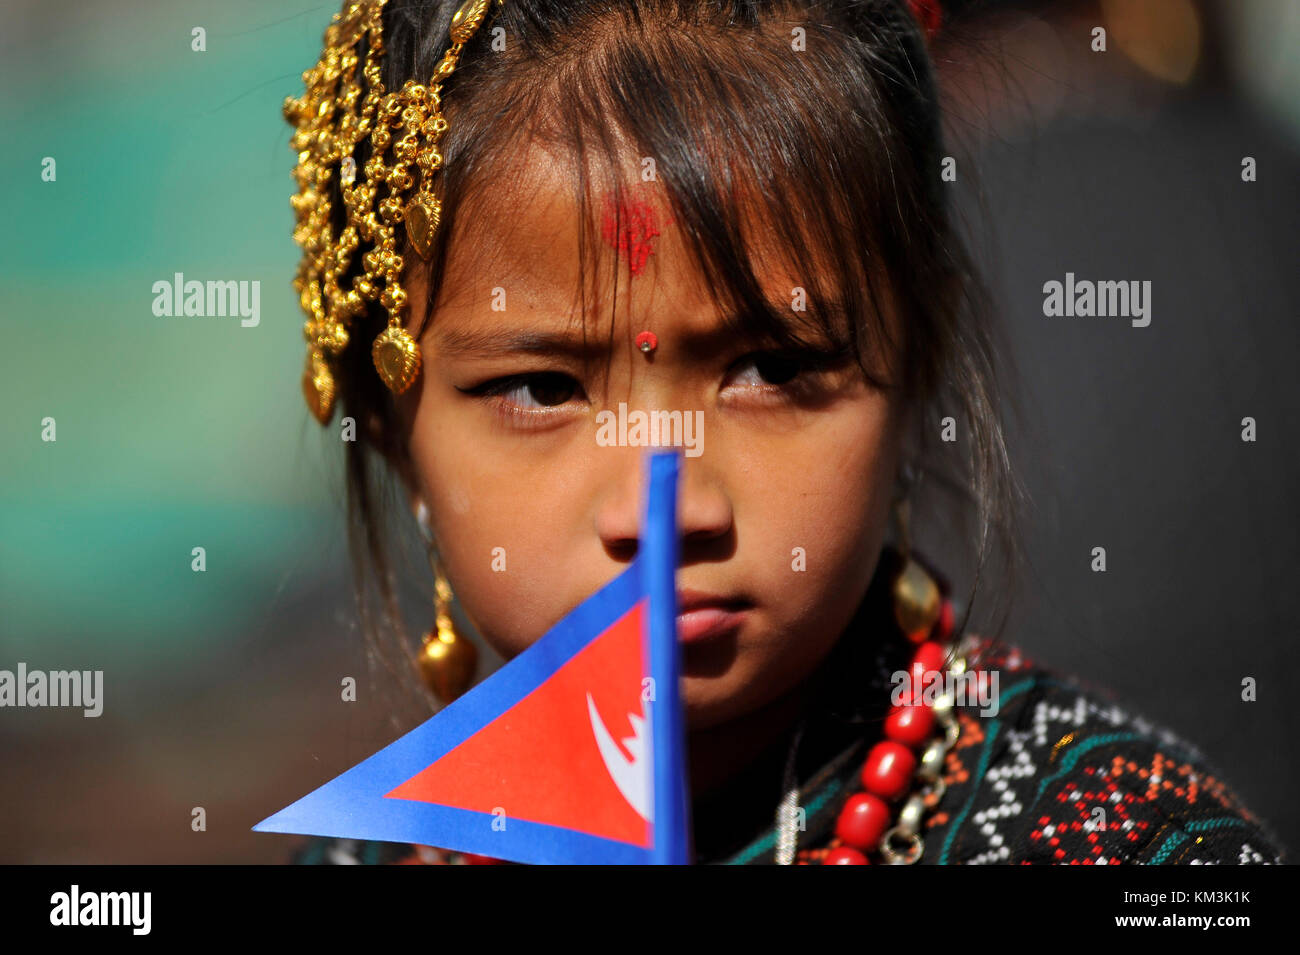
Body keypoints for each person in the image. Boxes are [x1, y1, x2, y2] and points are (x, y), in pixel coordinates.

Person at [280, 0, 1288, 865]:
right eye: (541, 388)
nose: (664, 505)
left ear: (918, 363)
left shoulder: (1128, 842)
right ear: (390, 429)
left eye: (769, 370)